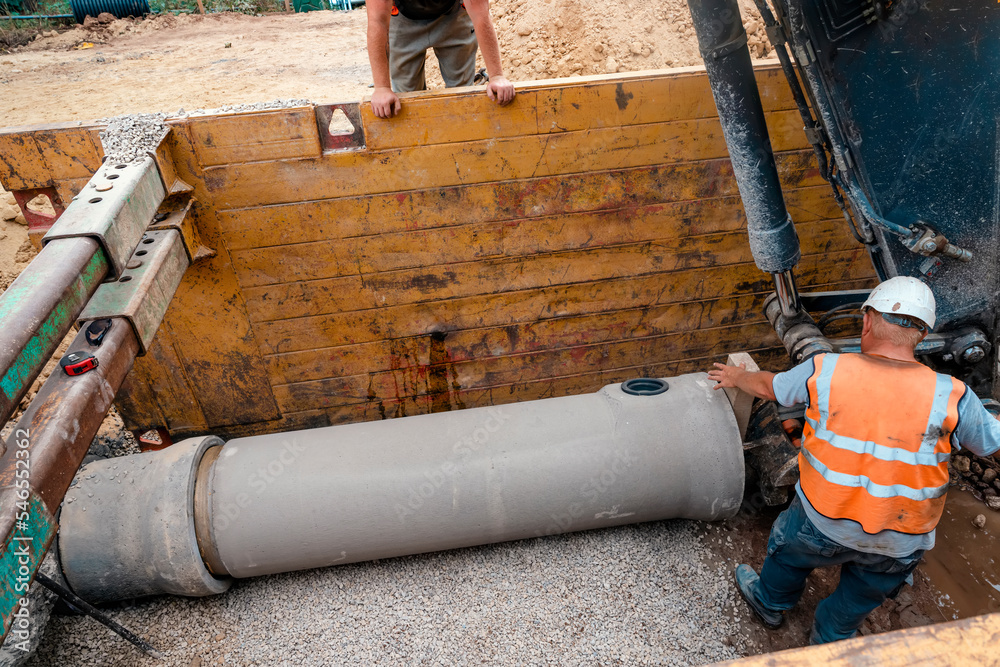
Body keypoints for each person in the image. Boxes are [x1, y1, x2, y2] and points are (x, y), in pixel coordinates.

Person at [708, 276, 1000, 644]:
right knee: (861, 596)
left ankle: (769, 603)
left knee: (787, 551)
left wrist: (736, 375)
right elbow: (991, 444)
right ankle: (830, 641)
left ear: (866, 321)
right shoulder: (955, 395)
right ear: (923, 336)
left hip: (822, 522)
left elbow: (770, 387)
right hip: (902, 541)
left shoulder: (826, 369)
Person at [366, 0, 516, 118]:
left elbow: (480, 14)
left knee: (461, 93)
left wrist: (496, 76)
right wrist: (382, 88)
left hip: (453, 15)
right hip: (403, 19)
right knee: (406, 99)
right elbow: (377, 21)